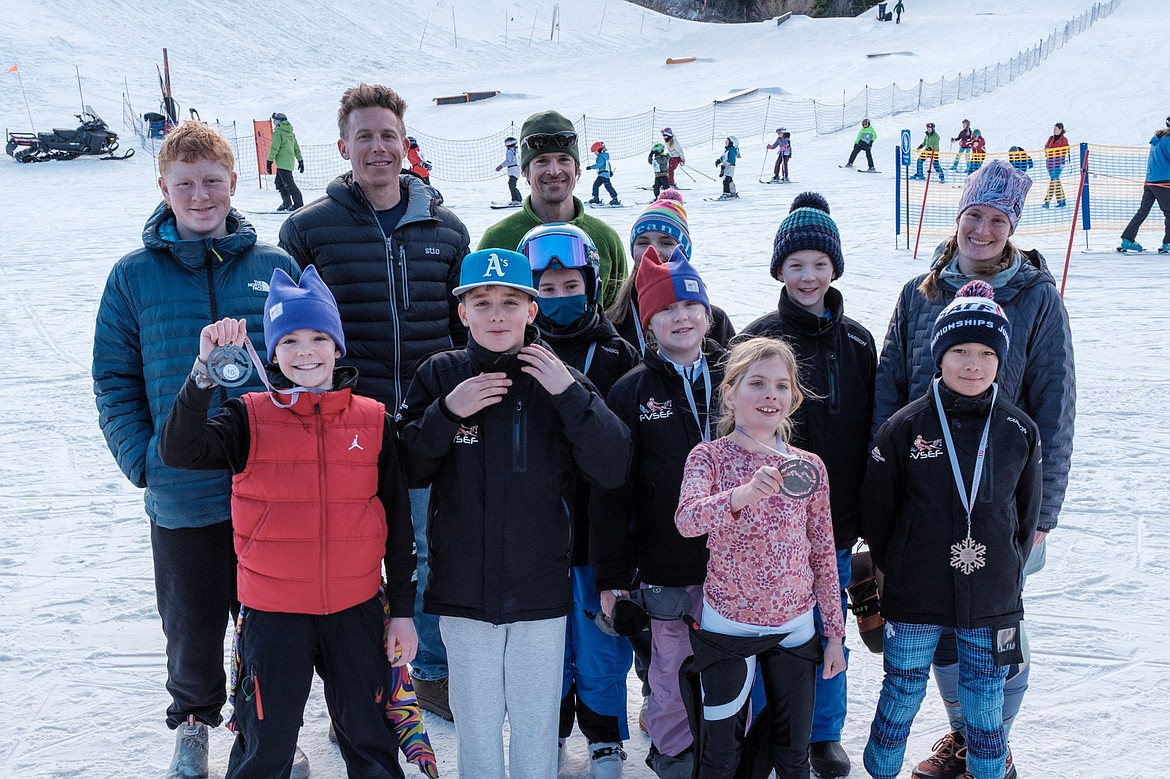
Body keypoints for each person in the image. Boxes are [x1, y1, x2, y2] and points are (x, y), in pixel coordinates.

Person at [92, 120, 304, 779]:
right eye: (185, 184)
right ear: (163, 188)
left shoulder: (273, 267)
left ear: (236, 183)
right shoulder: (133, 276)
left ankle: (268, 729)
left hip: (265, 486)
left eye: (213, 181)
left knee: (267, 620)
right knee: (190, 623)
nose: (201, 195)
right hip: (181, 490)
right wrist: (143, 457)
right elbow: (113, 376)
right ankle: (193, 721)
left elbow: (307, 363)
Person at [158, 267, 418, 779]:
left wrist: (404, 613)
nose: (306, 352)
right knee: (266, 748)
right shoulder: (246, 417)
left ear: (337, 346)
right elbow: (179, 450)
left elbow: (398, 524)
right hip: (273, 616)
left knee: (369, 740)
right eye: (291, 340)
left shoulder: (373, 420)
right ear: (271, 352)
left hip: (356, 611)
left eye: (319, 337)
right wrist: (203, 374)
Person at [871, 159, 1075, 779]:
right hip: (924, 494)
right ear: (957, 216)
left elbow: (1054, 405)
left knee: (994, 627)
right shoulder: (920, 293)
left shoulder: (1037, 298)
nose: (982, 230)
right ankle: (967, 737)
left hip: (998, 501)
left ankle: (993, 741)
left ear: (1011, 227)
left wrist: (1041, 513)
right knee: (934, 623)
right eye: (973, 216)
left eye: (996, 220)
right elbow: (891, 388)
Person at [397, 248, 632, 779]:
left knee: (535, 722)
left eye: (510, 301)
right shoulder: (440, 375)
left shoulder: (559, 378)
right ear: (462, 312)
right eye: (482, 302)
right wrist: (448, 411)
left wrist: (570, 396)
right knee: (475, 724)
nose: (496, 315)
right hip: (461, 590)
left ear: (531, 310)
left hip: (539, 591)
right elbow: (406, 466)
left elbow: (613, 465)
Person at [278, 83, 471, 722]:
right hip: (343, 424)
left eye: (388, 135)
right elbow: (288, 333)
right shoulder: (309, 229)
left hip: (423, 422)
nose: (378, 148)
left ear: (404, 143)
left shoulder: (446, 229)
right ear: (343, 146)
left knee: (422, 545)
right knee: (355, 555)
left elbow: (460, 327)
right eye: (364, 136)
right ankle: (359, 688)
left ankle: (434, 671)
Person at [862, 280, 1042, 779]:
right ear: (939, 355)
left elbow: (1025, 515)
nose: (972, 364)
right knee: (901, 691)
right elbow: (879, 510)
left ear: (1000, 361)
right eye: (959, 350)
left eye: (986, 353)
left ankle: (986, 773)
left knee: (985, 699)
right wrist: (896, 563)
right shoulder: (905, 428)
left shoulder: (1019, 430)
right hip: (915, 589)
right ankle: (881, 769)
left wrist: (1006, 567)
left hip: (989, 596)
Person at [738, 192, 876, 779]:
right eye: (796, 265)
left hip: (837, 523)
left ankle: (823, 733)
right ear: (779, 271)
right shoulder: (760, 337)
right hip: (772, 524)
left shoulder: (861, 343)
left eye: (819, 263)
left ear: (834, 268)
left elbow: (877, 428)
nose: (808, 276)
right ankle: (773, 729)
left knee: (829, 625)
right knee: (774, 628)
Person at [675, 336, 847, 779]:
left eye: (781, 385)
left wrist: (833, 635)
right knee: (720, 755)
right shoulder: (708, 457)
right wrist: (742, 495)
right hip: (728, 625)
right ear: (729, 392)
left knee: (792, 755)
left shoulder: (809, 466)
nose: (771, 394)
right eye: (756, 383)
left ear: (794, 398)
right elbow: (687, 520)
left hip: (794, 626)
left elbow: (823, 553)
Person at [593, 245, 726, 779]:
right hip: (667, 564)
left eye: (690, 306)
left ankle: (723, 750)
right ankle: (673, 750)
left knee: (729, 665)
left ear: (707, 312)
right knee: (670, 667)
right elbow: (612, 489)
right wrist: (613, 576)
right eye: (665, 311)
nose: (682, 318)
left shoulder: (738, 376)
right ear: (648, 323)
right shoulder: (632, 391)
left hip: (737, 566)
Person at [518, 223, 640, 778]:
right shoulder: (516, 354)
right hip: (539, 532)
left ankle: (605, 733)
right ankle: (551, 729)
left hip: (599, 530)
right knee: (545, 646)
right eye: (547, 289)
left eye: (572, 287)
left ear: (591, 286)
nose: (560, 299)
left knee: (599, 643)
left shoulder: (617, 354)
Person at [478, 110, 629, 308]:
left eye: (564, 160)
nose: (554, 171)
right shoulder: (497, 240)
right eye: (542, 161)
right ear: (525, 171)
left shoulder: (604, 237)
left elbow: (620, 317)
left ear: (577, 169)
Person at [607, 191, 736, 354]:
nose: (653, 251)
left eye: (666, 242)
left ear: (684, 252)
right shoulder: (615, 321)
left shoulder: (715, 321)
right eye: (643, 242)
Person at [1117, 116, 1170, 253]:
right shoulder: (1168, 140)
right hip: (1163, 182)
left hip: (1150, 181)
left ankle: (1127, 239)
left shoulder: (1157, 140)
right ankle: (1168, 243)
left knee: (1143, 211)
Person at [267, 112, 304, 212]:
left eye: (275, 120)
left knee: (289, 184)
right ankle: (287, 203)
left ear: (280, 121)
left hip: (283, 163)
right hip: (287, 163)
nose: (274, 122)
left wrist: (269, 161)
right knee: (279, 183)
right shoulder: (290, 133)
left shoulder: (278, 132)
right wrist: (300, 160)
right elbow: (296, 148)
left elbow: (274, 148)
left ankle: (298, 204)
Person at [1042, 122, 1069, 207]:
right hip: (1050, 164)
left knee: (1053, 181)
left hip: (1058, 164)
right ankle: (1061, 200)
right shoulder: (1050, 138)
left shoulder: (1064, 140)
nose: (1054, 130)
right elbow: (1046, 148)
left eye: (1056, 129)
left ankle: (1047, 201)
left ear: (1060, 130)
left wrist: (1052, 151)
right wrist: (1049, 150)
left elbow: (1063, 152)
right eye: (1054, 129)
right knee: (1056, 181)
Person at [587, 140, 621, 206]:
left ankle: (615, 198)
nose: (595, 153)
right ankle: (596, 198)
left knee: (608, 186)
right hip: (602, 174)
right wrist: (610, 171)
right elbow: (608, 165)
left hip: (603, 174)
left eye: (595, 151)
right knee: (596, 185)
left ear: (599, 150)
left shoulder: (601, 157)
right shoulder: (604, 157)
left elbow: (598, 165)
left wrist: (590, 167)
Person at [495, 136, 523, 205]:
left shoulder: (510, 151)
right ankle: (518, 198)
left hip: (513, 169)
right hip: (516, 169)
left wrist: (501, 166)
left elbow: (508, 160)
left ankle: (516, 199)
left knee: (511, 184)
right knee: (512, 184)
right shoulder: (515, 150)